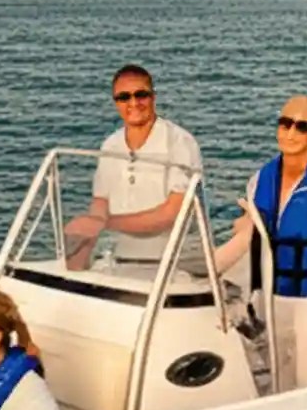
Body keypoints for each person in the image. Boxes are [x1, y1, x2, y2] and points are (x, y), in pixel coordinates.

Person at [214, 95, 307, 389]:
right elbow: (248, 236)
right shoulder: (260, 179)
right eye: (285, 123)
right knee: (278, 380)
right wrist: (208, 271)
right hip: (273, 297)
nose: (290, 133)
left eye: (301, 127)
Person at [64, 64, 204, 270]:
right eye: (124, 97)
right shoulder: (110, 145)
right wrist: (86, 230)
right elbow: (100, 203)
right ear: (115, 103)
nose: (134, 103)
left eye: (141, 95)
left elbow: (172, 213)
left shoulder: (179, 143)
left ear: (153, 97)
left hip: (178, 264)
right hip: (121, 258)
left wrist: (106, 224)